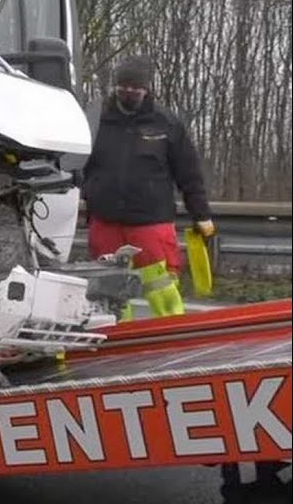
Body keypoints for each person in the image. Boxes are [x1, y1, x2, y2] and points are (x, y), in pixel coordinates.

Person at [81, 56, 214, 318]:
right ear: (115, 85)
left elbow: (189, 173)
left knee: (161, 285)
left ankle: (171, 331)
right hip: (106, 219)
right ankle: (119, 334)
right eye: (124, 85)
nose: (129, 91)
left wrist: (201, 214)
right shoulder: (96, 120)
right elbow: (77, 163)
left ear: (147, 88)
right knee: (109, 290)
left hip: (151, 221)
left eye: (136, 87)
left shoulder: (166, 123)